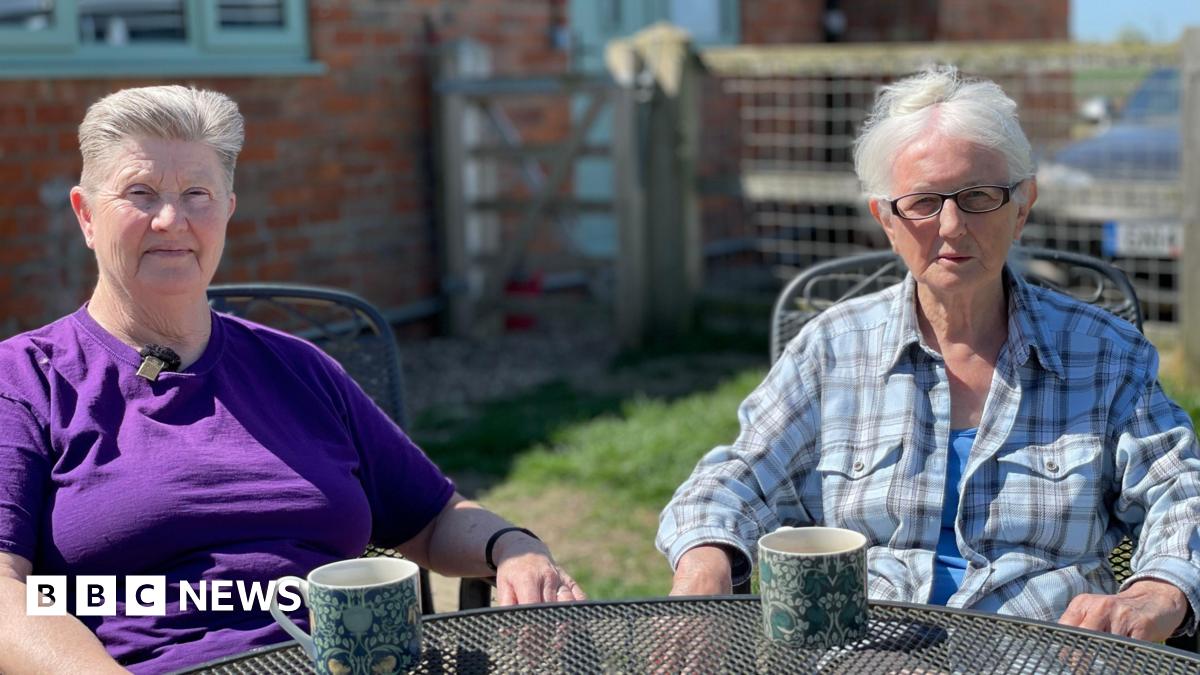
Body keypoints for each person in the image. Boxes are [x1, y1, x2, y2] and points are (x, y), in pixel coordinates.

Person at [0, 85, 585, 674]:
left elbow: (433, 518)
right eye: (140, 194)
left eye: (197, 194)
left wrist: (513, 546)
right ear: (86, 215)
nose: (171, 219)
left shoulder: (299, 369)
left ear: (227, 210)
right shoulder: (27, 380)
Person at [657, 66, 1199, 643]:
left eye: (978, 197)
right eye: (920, 203)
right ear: (886, 221)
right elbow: (734, 479)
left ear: (1023, 206)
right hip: (871, 649)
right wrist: (706, 557)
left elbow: (1183, 490)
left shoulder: (1106, 354)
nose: (951, 226)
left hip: (1041, 651)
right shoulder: (832, 348)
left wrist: (1157, 591)